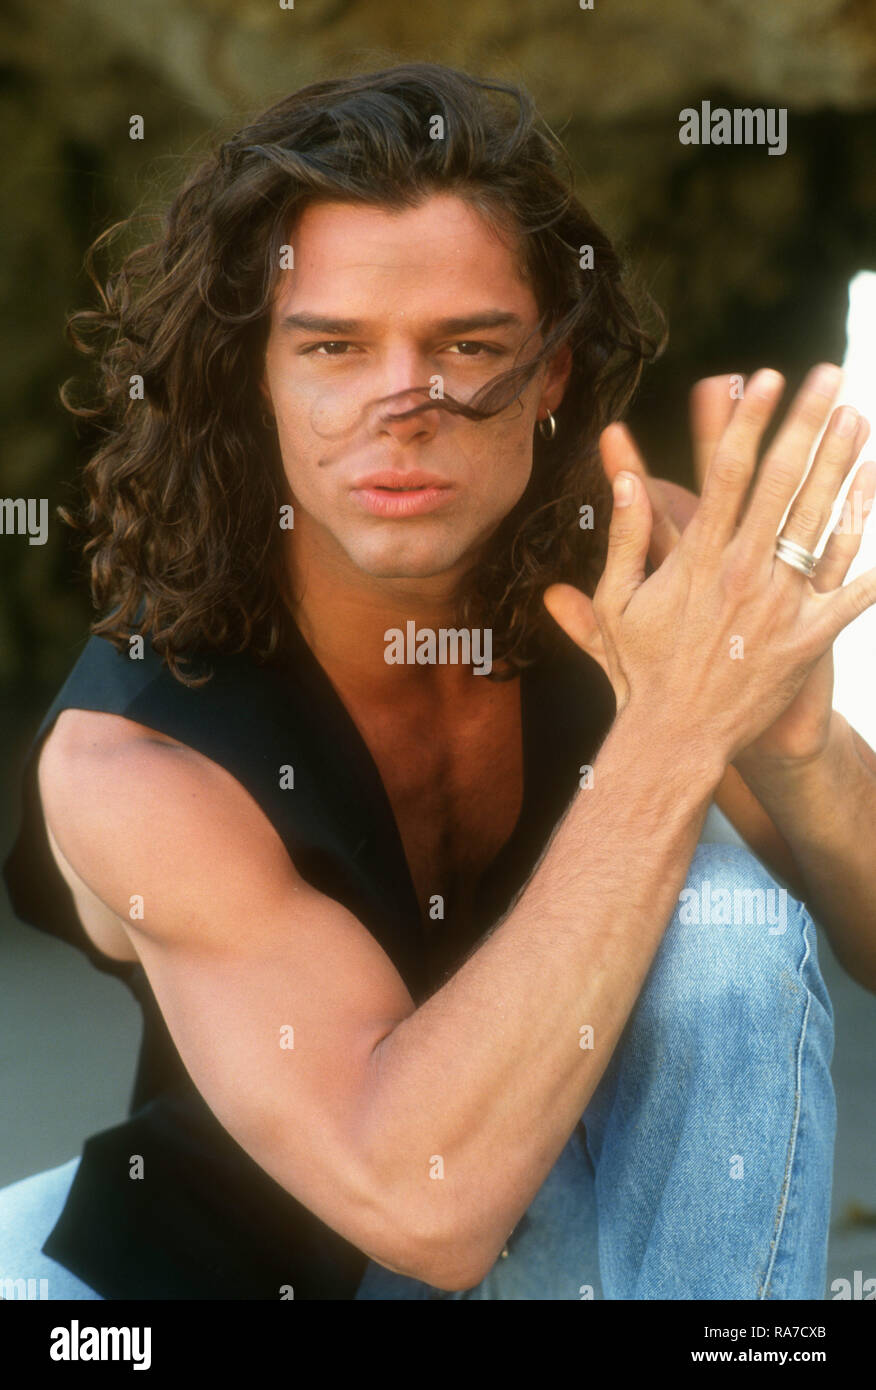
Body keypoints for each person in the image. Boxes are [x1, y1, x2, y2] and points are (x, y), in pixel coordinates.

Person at [2, 61, 876, 1301]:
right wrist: (673, 738)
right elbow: (421, 1204)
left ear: (554, 372)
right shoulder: (135, 759)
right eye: (334, 347)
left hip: (594, 1222)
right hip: (246, 1257)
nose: (403, 405)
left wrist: (793, 747)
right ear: (257, 378)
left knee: (726, 934)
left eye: (468, 346)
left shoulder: (640, 578)